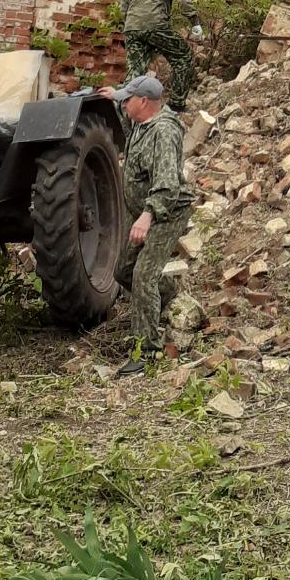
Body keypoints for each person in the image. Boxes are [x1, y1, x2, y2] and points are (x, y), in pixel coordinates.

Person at [103, 71, 191, 375]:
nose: (124, 105)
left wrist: (147, 215)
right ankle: (165, 294)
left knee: (142, 275)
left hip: (165, 212)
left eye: (128, 100)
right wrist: (113, 97)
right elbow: (126, 119)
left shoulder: (163, 132)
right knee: (123, 271)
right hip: (144, 210)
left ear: (144, 101)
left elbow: (167, 185)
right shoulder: (142, 122)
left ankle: (146, 352)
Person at [120, 0, 200, 108]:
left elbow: (124, 9)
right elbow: (184, 0)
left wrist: (132, 30)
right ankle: (176, 106)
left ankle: (125, 114)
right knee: (183, 57)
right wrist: (195, 23)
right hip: (156, 25)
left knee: (134, 73)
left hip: (131, 27)